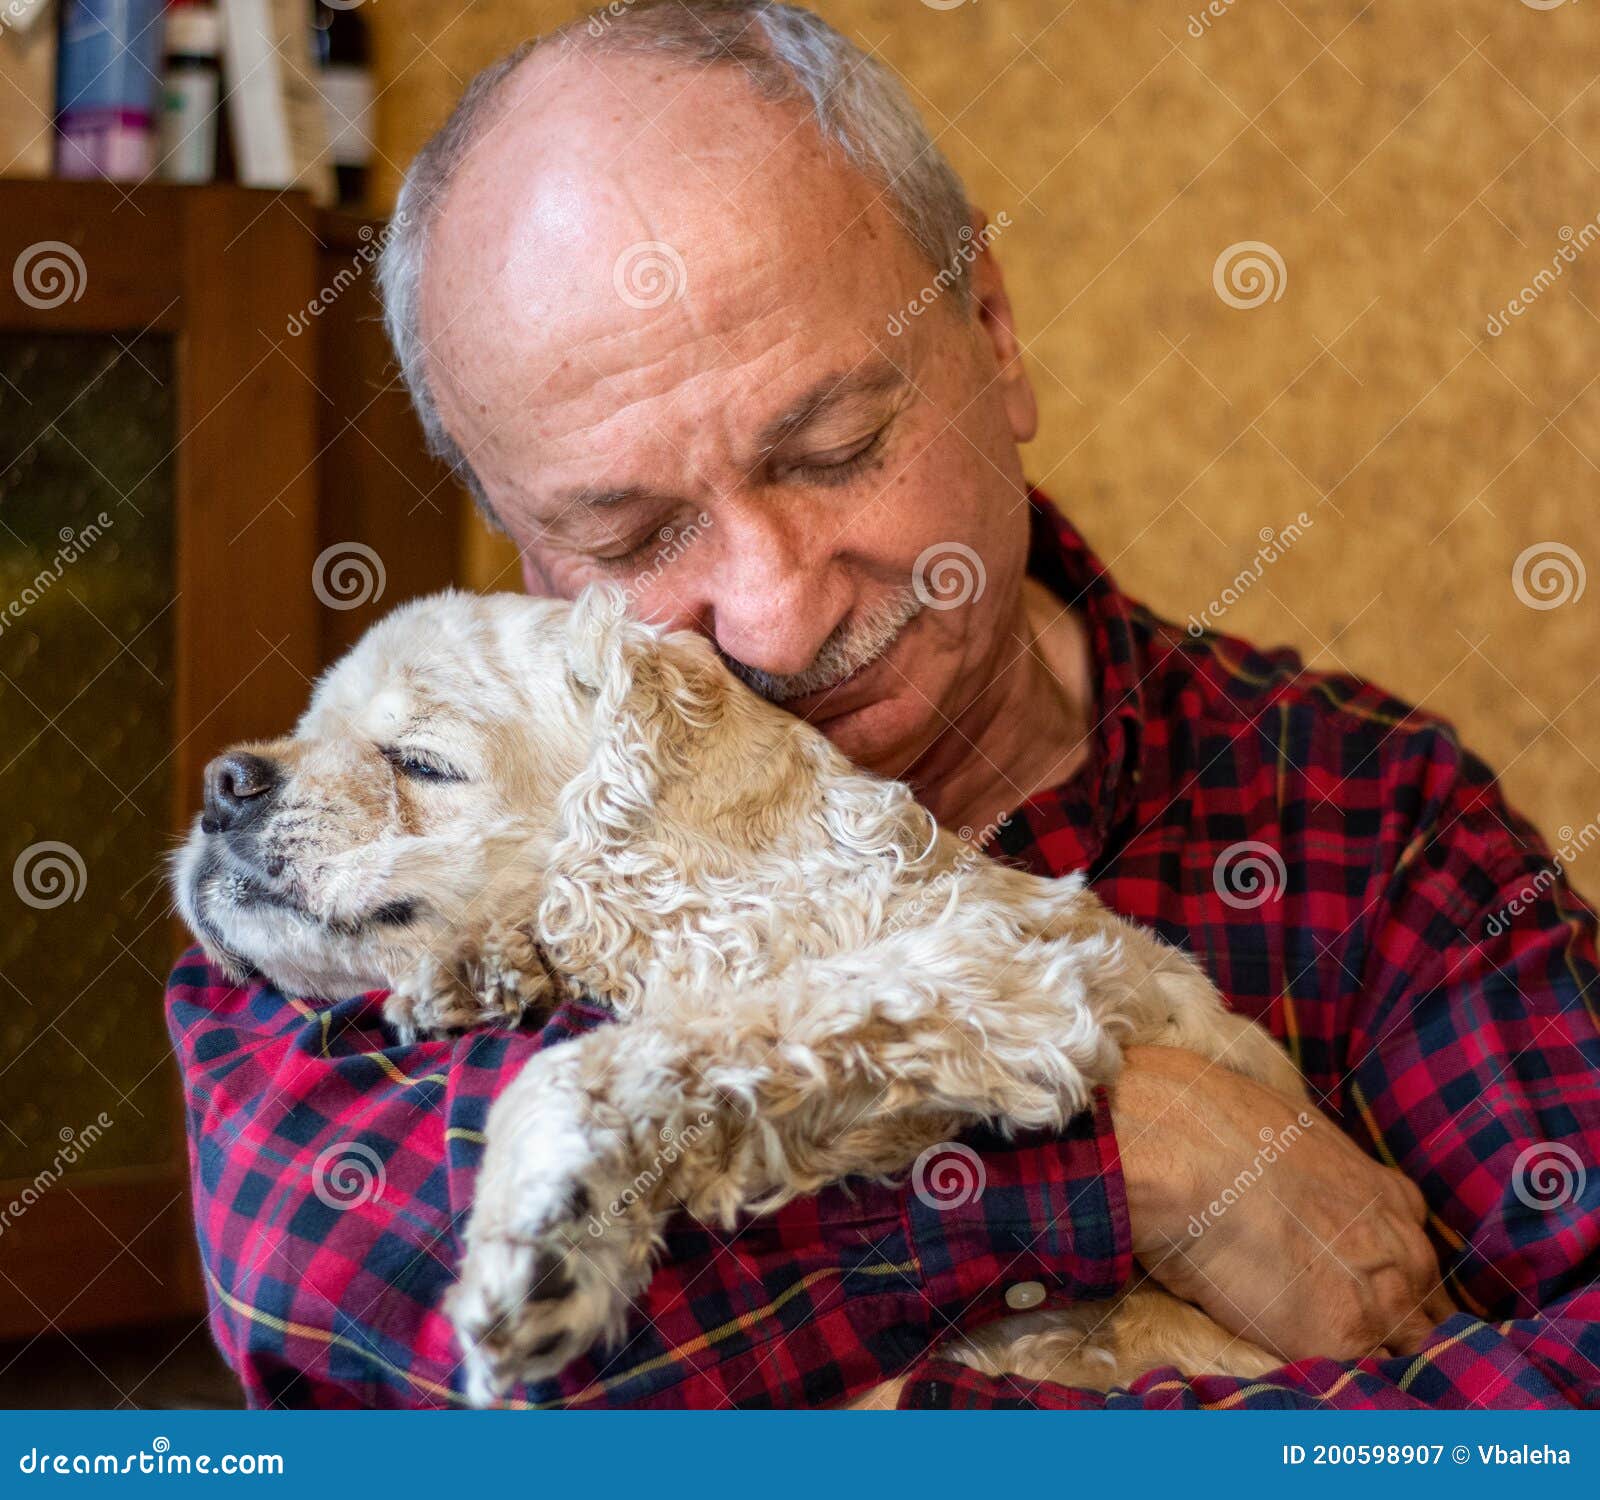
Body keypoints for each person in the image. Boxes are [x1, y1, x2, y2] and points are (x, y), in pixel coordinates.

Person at [166, 0, 1600, 1408]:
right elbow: (340, 1299)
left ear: (993, 332)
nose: (778, 609)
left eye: (836, 447)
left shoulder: (1358, 813)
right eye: (631, 539)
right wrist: (1122, 1163)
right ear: (526, 552)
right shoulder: (410, 847)